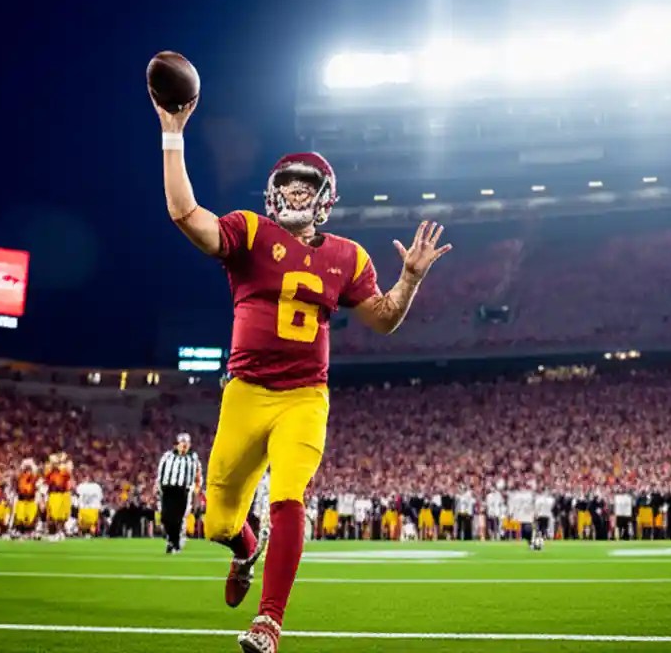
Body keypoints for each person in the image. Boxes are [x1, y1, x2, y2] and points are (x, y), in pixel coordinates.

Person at [153, 89, 451, 653]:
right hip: (244, 393)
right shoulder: (249, 232)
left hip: (304, 397)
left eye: (307, 186)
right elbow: (184, 213)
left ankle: (270, 622)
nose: (295, 192)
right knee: (217, 522)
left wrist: (409, 279)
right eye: (288, 184)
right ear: (271, 194)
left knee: (289, 496)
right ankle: (246, 549)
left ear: (325, 200)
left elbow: (384, 319)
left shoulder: (348, 256)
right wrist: (174, 133)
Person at [157, 432, 202, 553]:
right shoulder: (167, 456)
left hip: (183, 490)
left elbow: (198, 475)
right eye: (182, 442)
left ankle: (174, 542)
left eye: (186, 443)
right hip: (167, 489)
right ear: (177, 444)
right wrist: (158, 486)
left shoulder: (193, 458)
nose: (184, 445)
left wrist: (196, 491)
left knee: (177, 518)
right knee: (165, 517)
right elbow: (160, 472)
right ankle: (173, 539)